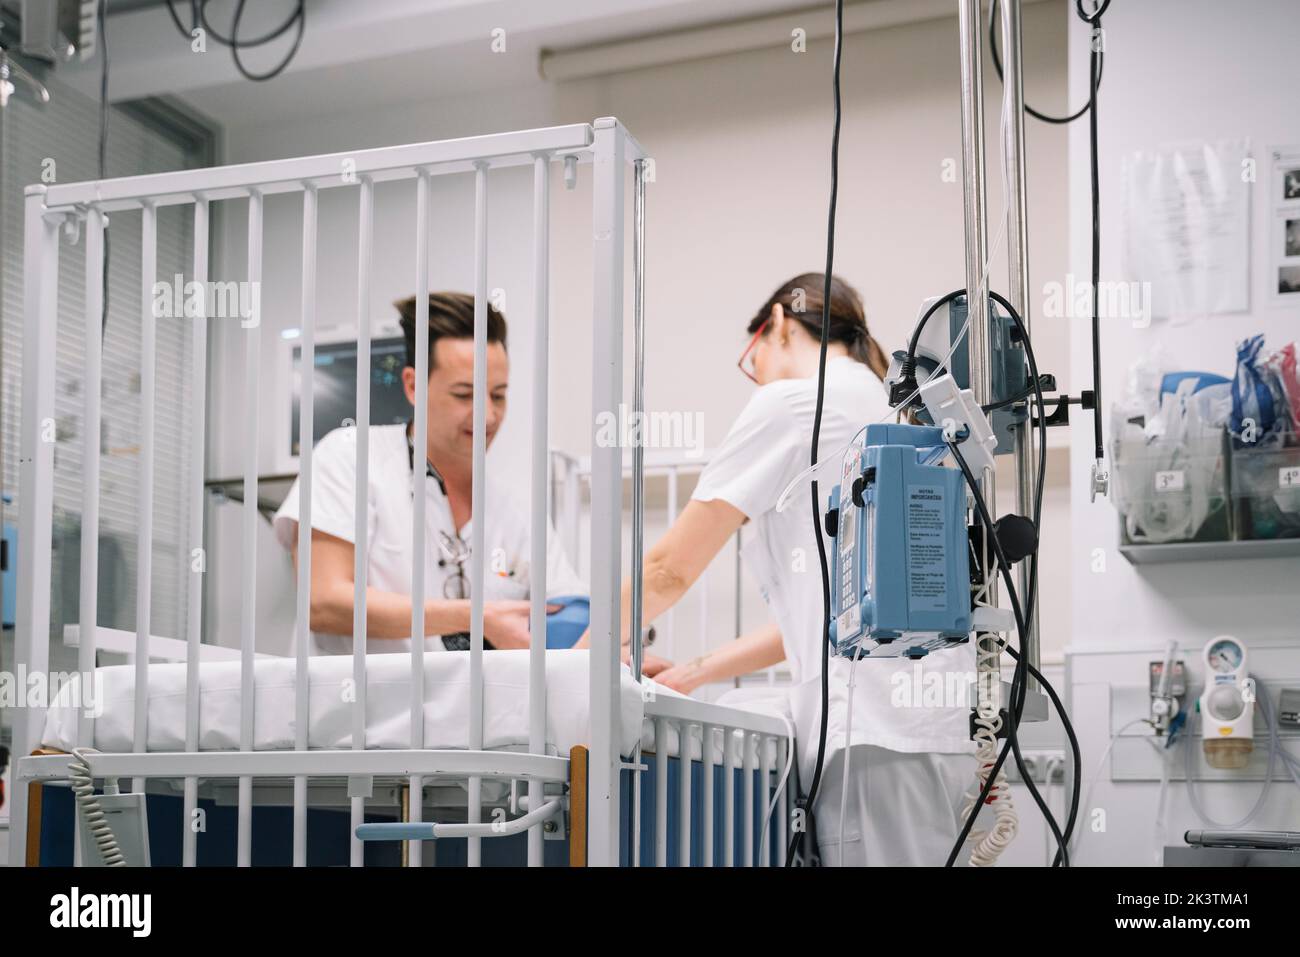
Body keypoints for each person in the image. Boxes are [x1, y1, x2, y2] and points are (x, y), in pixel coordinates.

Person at [584, 273, 977, 866]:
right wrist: (692, 672)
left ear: (778, 323)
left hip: (870, 730)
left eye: (754, 358)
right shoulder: (892, 406)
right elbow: (829, 612)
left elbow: (669, 569)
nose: (758, 375)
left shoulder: (796, 402)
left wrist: (578, 661)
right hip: (933, 729)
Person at [274, 292, 586, 655]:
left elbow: (570, 614)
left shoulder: (516, 512)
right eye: (464, 395)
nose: (487, 416)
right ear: (412, 385)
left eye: (498, 396)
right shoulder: (350, 458)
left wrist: (623, 649)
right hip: (359, 709)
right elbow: (322, 601)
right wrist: (474, 618)